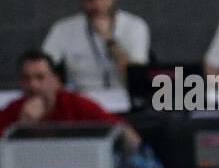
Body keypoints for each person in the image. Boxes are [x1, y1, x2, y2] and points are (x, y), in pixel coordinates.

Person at [0, 50, 141, 149]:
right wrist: (23, 129)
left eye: (40, 77)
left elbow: (128, 136)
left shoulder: (76, 104)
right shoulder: (13, 110)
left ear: (55, 80)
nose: (33, 85)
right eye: (26, 78)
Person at [41, 0, 150, 92]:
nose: (97, 4)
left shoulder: (135, 26)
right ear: (80, 0)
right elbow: (41, 69)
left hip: (125, 98)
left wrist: (109, 39)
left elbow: (137, 79)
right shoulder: (62, 29)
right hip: (82, 101)